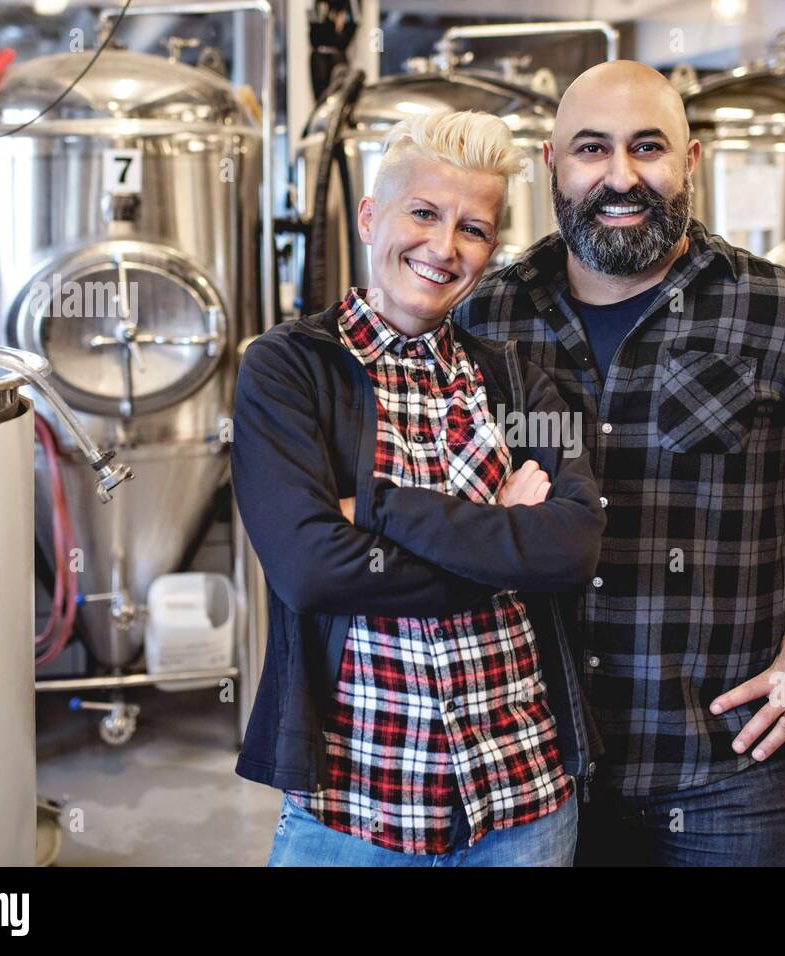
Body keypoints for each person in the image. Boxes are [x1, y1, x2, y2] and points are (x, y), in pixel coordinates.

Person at [454, 61, 785, 866]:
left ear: (691, 162)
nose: (621, 177)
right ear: (551, 166)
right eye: (591, 150)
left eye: (647, 147)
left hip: (723, 776)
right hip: (532, 773)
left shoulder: (779, 311)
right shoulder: (486, 313)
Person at [231, 108, 605, 866]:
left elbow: (570, 548)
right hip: (353, 809)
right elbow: (312, 571)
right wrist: (496, 542)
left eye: (473, 228)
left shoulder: (521, 384)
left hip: (524, 804)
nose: (443, 247)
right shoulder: (287, 370)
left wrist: (375, 508)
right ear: (371, 217)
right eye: (424, 213)